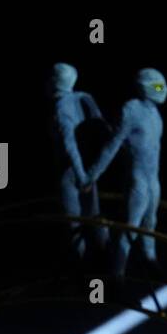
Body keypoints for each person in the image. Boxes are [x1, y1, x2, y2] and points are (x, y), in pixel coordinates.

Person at [87, 69, 167, 278]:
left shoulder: (155, 114)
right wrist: (93, 174)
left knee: (150, 221)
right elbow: (112, 146)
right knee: (131, 226)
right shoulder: (132, 110)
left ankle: (150, 260)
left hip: (153, 178)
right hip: (138, 178)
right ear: (145, 88)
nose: (163, 91)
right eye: (158, 87)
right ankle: (117, 275)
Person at [48, 63, 108, 258]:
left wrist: (82, 176)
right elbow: (101, 126)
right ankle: (105, 259)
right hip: (88, 167)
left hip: (71, 171)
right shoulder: (84, 97)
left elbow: (69, 144)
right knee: (95, 216)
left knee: (75, 223)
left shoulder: (61, 107)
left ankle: (84, 268)